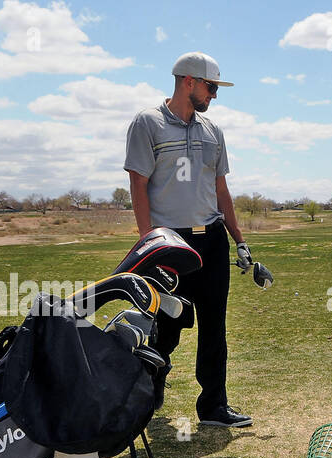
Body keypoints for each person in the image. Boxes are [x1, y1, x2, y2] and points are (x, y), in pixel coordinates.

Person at [124, 51, 253, 427]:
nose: (214, 96)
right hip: (170, 245)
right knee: (167, 325)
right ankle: (148, 395)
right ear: (188, 81)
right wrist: (149, 240)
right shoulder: (147, 123)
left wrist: (239, 240)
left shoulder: (214, 132)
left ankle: (213, 407)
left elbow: (220, 188)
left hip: (211, 241)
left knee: (215, 327)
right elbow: (138, 184)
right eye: (211, 87)